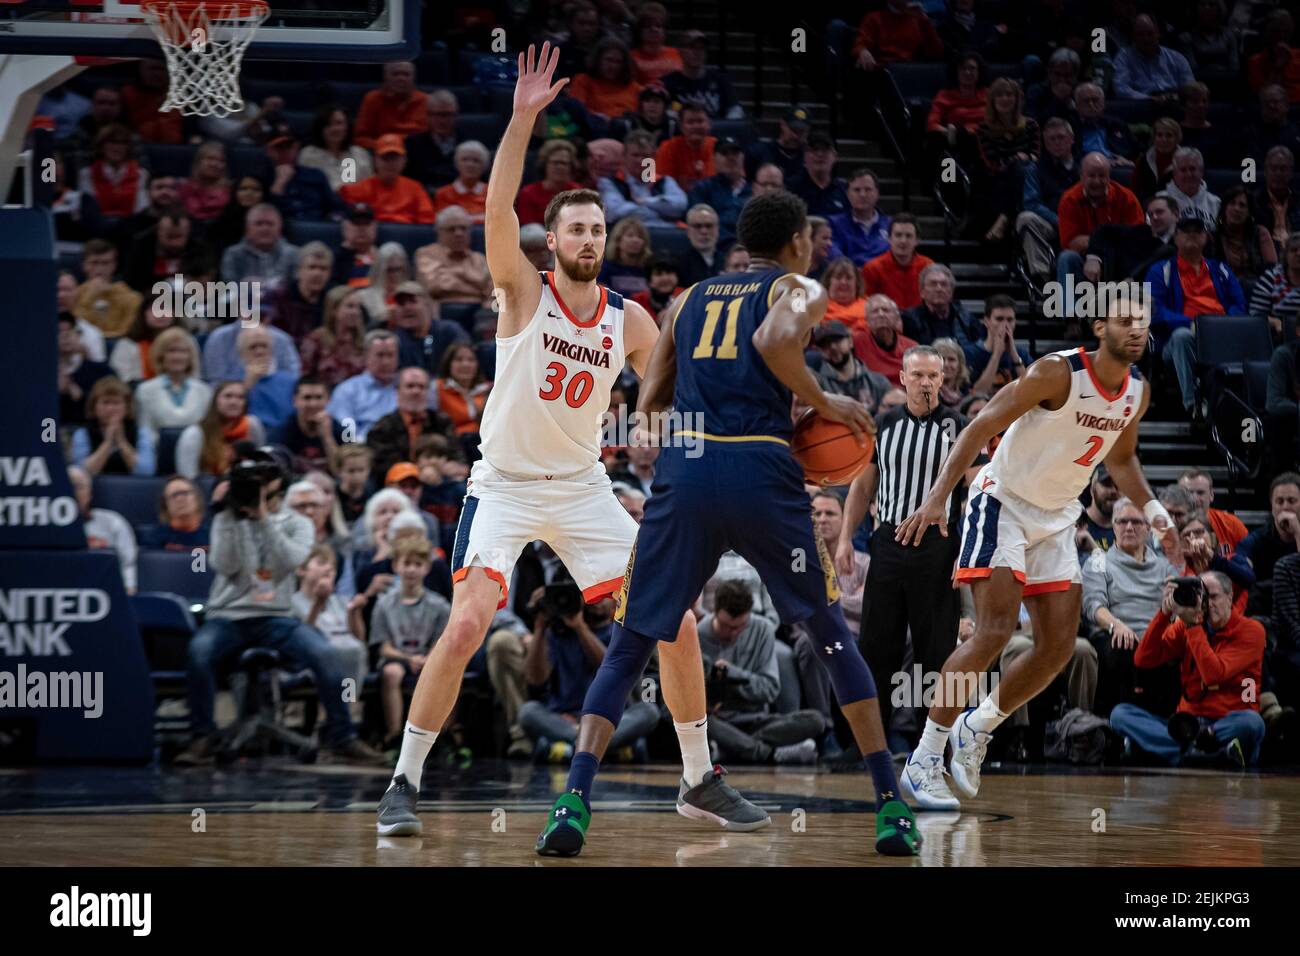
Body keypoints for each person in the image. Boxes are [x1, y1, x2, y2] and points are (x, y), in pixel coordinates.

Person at [377, 45, 765, 844]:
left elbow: (677, 392)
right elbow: (495, 210)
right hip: (506, 485)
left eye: (597, 228)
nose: (588, 237)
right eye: (574, 228)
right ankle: (403, 781)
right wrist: (520, 119)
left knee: (678, 624)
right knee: (466, 624)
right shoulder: (522, 293)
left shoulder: (627, 317)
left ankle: (699, 779)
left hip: (583, 488)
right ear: (551, 242)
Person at [549, 182, 920, 855]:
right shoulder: (797, 289)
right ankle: (892, 805)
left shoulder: (687, 300)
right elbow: (777, 342)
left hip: (687, 470)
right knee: (829, 633)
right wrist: (824, 404)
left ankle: (572, 803)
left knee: (633, 641)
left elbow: (652, 401)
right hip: (760, 470)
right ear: (798, 245)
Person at [895, 290, 1177, 810]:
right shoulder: (1057, 373)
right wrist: (938, 498)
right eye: (1124, 319)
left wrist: (1158, 517)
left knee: (1056, 648)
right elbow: (982, 425)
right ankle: (923, 758)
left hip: (1057, 516)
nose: (1136, 329)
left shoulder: (1137, 391)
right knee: (995, 633)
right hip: (1003, 503)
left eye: (1143, 321)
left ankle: (976, 729)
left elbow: (1123, 459)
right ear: (1098, 325)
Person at [173, 451, 385, 766]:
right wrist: (236, 519)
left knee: (327, 654)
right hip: (229, 616)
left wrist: (262, 520)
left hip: (278, 617)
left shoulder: (298, 523)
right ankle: (203, 737)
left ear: (277, 491)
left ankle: (343, 736)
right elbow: (226, 566)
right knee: (198, 652)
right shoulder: (225, 518)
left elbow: (288, 561)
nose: (258, 492)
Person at [839, 345, 969, 747]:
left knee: (937, 652)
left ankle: (932, 747)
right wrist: (845, 536)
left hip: (939, 546)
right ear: (903, 378)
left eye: (933, 375)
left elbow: (979, 489)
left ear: (943, 380)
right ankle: (872, 745)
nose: (926, 382)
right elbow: (863, 486)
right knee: (877, 648)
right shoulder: (884, 424)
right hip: (889, 542)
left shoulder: (961, 428)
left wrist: (967, 551)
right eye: (918, 375)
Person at [1110, 572, 1266, 767]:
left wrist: (1193, 625)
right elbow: (1143, 659)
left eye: (1214, 596)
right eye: (1203, 597)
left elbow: (1213, 675)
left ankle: (1174, 752)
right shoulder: (1187, 625)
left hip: (1227, 722)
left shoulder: (1252, 631)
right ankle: (1205, 755)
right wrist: (1164, 614)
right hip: (1185, 725)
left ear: (1230, 597)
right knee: (1120, 715)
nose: (1207, 604)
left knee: (1252, 724)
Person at [697, 579, 827, 765]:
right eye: (726, 626)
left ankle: (735, 748)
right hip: (718, 723)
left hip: (756, 721)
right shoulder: (697, 635)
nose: (733, 633)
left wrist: (733, 674)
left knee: (815, 720)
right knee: (701, 723)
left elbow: (770, 690)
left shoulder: (763, 629)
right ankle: (766, 753)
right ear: (715, 611)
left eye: (740, 627)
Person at [1081, 495, 1179, 718]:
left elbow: (1176, 609)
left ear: (1148, 528)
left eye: (1136, 522)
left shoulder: (1165, 566)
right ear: (1113, 527)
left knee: (1175, 647)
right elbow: (1093, 605)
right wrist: (1116, 625)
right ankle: (1121, 724)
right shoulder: (1099, 561)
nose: (1128, 527)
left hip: (1156, 635)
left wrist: (1172, 608)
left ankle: (1168, 723)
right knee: (1123, 645)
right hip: (1115, 635)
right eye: (1122, 522)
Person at [1147, 216, 1247, 420]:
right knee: (1182, 336)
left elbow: (1239, 306)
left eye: (1197, 231)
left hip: (1221, 334)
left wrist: (1220, 326)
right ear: (1175, 238)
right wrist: (1191, 324)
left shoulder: (1221, 269)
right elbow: (1154, 311)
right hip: (1178, 340)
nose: (1192, 234)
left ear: (1206, 238)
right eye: (1185, 231)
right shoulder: (1160, 271)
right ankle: (1194, 406)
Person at [373, 535, 453, 752]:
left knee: (445, 670)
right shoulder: (384, 604)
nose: (411, 570)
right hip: (397, 658)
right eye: (406, 563)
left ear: (427, 568)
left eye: (417, 564)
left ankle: (441, 734)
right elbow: (383, 647)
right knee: (392, 673)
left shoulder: (439, 605)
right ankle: (394, 734)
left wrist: (428, 659)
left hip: (428, 657)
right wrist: (409, 658)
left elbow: (442, 642)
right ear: (395, 565)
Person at [975, 78, 1040, 243]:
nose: (1005, 99)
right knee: (1015, 169)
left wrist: (1026, 158)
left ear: (1017, 99)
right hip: (996, 178)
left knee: (1021, 169)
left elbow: (1036, 154)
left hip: (1028, 176)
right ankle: (1006, 218)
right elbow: (992, 162)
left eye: (1009, 95)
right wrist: (1015, 159)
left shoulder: (1031, 125)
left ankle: (1004, 218)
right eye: (1000, 95)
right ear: (993, 100)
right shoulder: (983, 129)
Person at [68, 466, 137, 593]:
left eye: (79, 486)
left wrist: (128, 592)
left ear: (90, 493)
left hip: (107, 592)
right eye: (69, 486)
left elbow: (128, 564)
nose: (73, 492)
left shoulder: (112, 522)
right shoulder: (46, 528)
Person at [339, 134, 435, 225]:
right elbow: (350, 222)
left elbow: (427, 221)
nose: (390, 163)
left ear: (404, 161)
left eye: (395, 158)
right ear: (375, 160)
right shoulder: (357, 190)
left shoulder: (415, 188)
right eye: (385, 158)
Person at [176, 381, 265, 478]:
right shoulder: (194, 433)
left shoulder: (252, 425)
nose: (234, 402)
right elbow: (188, 478)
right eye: (228, 396)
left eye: (241, 397)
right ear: (215, 401)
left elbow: (260, 463)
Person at [71, 377, 156, 477]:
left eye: (116, 403)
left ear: (127, 407)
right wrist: (107, 443)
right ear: (94, 407)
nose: (110, 408)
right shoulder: (82, 434)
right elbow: (81, 474)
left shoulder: (141, 433)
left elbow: (146, 472)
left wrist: (121, 442)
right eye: (105, 402)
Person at [133, 327, 211, 433]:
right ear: (161, 356)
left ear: (190, 356)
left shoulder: (205, 391)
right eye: (171, 351)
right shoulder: (145, 390)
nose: (177, 356)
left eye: (183, 351)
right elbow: (146, 433)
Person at [327, 330, 402, 441]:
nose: (385, 362)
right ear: (365, 357)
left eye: (390, 355)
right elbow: (347, 434)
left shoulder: (405, 388)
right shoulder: (347, 390)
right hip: (361, 450)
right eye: (380, 355)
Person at [416, 206, 494, 307]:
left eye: (463, 228)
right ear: (439, 232)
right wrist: (477, 282)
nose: (458, 233)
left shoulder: (479, 258)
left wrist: (454, 274)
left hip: (478, 312)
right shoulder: (426, 254)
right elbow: (435, 286)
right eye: (451, 229)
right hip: (443, 311)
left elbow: (491, 290)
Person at [1113, 14, 1196, 102]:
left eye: (1150, 33)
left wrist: (1175, 97)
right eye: (1140, 35)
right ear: (1133, 37)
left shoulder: (1176, 58)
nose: (1146, 39)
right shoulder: (1123, 58)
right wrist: (1150, 99)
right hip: (1143, 104)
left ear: (1158, 34)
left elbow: (1190, 88)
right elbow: (1121, 88)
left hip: (1174, 102)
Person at [662, 29, 742, 119]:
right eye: (692, 47)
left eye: (701, 48)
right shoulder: (668, 83)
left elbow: (734, 109)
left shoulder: (720, 80)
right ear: (680, 51)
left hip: (716, 130)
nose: (697, 53)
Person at [861, 214, 934, 312]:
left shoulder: (928, 267)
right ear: (889, 239)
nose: (903, 241)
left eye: (908, 236)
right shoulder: (872, 268)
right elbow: (865, 305)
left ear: (917, 241)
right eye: (898, 235)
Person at [814, 320, 891, 414]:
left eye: (837, 340)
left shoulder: (878, 382)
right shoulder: (817, 386)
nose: (832, 347)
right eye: (825, 344)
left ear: (850, 341)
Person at [1211, 185, 1278, 292]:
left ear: (1249, 213)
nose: (1237, 209)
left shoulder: (1260, 233)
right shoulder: (1212, 236)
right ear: (1224, 208)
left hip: (1255, 289)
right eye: (1232, 203)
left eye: (1242, 205)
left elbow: (1272, 270)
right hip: (1222, 289)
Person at [300, 286, 367, 389]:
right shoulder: (316, 340)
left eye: (358, 307)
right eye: (350, 306)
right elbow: (305, 378)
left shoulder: (363, 342)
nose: (356, 312)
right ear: (333, 310)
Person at [73, 239, 143, 338]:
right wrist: (89, 297)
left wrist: (98, 339)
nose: (100, 269)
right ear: (84, 265)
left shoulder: (132, 297)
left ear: (114, 265)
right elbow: (75, 328)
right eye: (94, 263)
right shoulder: (74, 295)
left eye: (105, 263)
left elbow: (128, 331)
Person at [353, 61, 427, 151]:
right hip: (380, 154)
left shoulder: (426, 101)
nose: (401, 78)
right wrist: (385, 147)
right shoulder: (372, 99)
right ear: (385, 77)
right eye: (395, 74)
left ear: (414, 77)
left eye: (406, 74)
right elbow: (360, 137)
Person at [964, 294, 1030, 395]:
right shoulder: (970, 353)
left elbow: (1031, 390)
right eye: (999, 319)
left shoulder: (1021, 354)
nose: (1005, 325)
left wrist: (1014, 355)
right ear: (986, 321)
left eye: (1010, 320)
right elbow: (977, 393)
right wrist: (996, 355)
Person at [298, 105, 374, 192]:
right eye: (328, 124)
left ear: (347, 127)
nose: (335, 129)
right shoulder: (308, 156)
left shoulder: (360, 154)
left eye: (339, 123)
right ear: (320, 129)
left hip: (356, 203)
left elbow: (369, 188)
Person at [687, 138, 749, 243]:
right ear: (714, 159)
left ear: (742, 157)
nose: (731, 158)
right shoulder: (703, 188)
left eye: (735, 153)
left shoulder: (754, 189)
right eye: (725, 153)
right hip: (715, 246)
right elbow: (697, 223)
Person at [827, 169, 892, 267]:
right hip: (849, 278)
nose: (862, 195)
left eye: (868, 189)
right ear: (848, 194)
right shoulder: (833, 224)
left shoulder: (891, 224)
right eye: (857, 190)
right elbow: (835, 255)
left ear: (877, 193)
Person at [902, 263, 977, 346]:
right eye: (933, 284)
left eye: (944, 284)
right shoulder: (909, 320)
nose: (939, 289)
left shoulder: (965, 318)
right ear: (922, 292)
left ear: (951, 292)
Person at [568, 38, 642, 120]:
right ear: (598, 59)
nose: (613, 66)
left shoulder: (635, 88)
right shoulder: (582, 81)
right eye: (609, 60)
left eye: (618, 62)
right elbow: (576, 111)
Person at [855, 294, 919, 386]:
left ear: (896, 318)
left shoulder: (912, 347)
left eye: (886, 310)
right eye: (875, 311)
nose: (881, 314)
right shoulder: (857, 343)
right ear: (867, 320)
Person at [654, 103, 717, 193]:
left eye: (700, 121)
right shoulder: (668, 148)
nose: (696, 126)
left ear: (709, 124)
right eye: (690, 122)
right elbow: (662, 185)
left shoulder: (719, 147)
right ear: (681, 127)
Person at [432, 343, 492, 437]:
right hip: (452, 444)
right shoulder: (437, 388)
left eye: (471, 360)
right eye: (459, 360)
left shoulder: (489, 391)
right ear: (449, 364)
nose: (465, 364)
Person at [141, 475, 210, 551]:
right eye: (174, 495)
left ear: (197, 498)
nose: (180, 499)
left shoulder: (213, 534)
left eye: (185, 493)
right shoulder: (154, 539)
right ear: (166, 505)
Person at [787, 132, 848, 218]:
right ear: (805, 156)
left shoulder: (845, 190)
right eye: (814, 149)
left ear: (835, 156)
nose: (819, 154)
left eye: (825, 150)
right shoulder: (790, 189)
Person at [431, 141, 491, 224]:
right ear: (456, 163)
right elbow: (444, 222)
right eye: (465, 159)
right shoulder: (443, 193)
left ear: (485, 166)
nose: (470, 164)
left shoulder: (493, 193)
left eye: (476, 160)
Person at [1163, 148, 1222, 232]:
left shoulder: (1216, 203)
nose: (1189, 174)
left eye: (1192, 169)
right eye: (1183, 170)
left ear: (1201, 171)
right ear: (1175, 174)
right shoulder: (1159, 201)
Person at [1251, 235, 1300, 332]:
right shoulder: (1270, 278)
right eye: (1294, 250)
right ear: (1285, 255)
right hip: (1279, 336)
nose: (1299, 253)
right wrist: (1274, 322)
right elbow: (1255, 313)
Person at [1131, 117, 1181, 205]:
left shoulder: (1185, 160)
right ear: (1154, 138)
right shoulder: (1143, 159)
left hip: (1179, 206)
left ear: (1177, 138)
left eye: (1169, 135)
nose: (1164, 139)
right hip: (1148, 206)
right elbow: (1133, 190)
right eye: (1159, 135)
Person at [675, 204, 728, 286]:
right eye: (697, 226)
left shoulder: (729, 261)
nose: (704, 231)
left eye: (709, 226)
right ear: (688, 231)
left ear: (717, 229)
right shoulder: (678, 265)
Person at [178, 141, 231, 223]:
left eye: (221, 161)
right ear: (199, 162)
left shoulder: (231, 190)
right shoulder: (185, 188)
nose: (214, 164)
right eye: (210, 158)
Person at [1076, 463, 1120, 559]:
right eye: (1107, 484)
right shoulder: (1075, 525)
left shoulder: (1130, 527)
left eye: (1118, 485)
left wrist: (1093, 549)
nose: (1113, 491)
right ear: (1092, 489)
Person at [820, 257, 870, 332]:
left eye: (849, 278)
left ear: (857, 283)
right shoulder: (816, 309)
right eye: (838, 277)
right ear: (828, 282)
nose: (843, 282)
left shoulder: (870, 308)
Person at [932, 337, 973, 408]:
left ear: (960, 365)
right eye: (941, 359)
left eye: (951, 359)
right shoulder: (927, 393)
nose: (946, 364)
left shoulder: (966, 390)